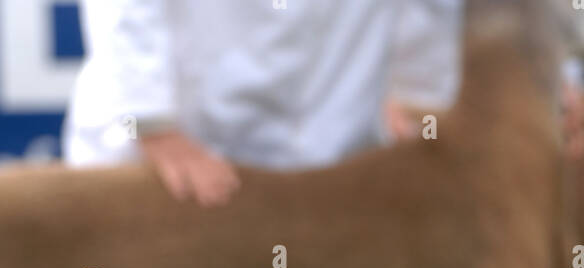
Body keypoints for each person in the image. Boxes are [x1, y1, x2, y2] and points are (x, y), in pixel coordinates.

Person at [64, 0, 463, 205]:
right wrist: (150, 123)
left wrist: (411, 92)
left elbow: (426, 9)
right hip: (173, 162)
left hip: (337, 152)